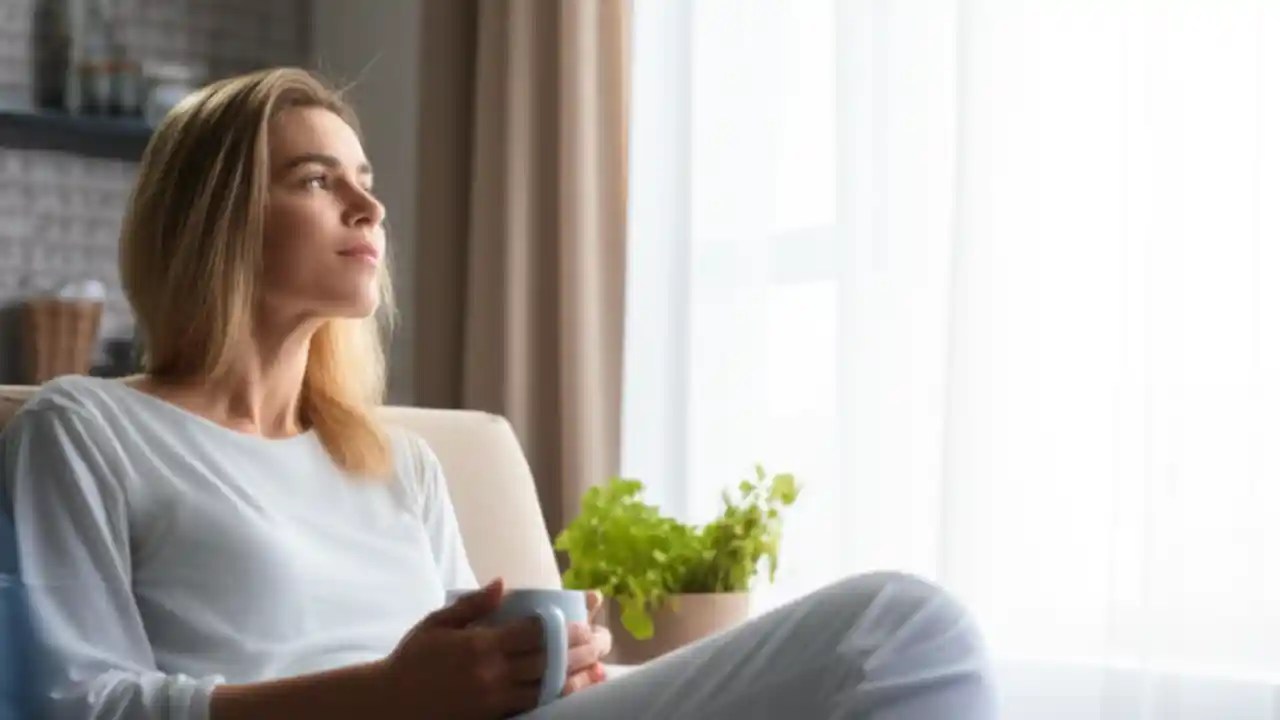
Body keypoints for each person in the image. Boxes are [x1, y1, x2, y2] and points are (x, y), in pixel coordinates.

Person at [0, 68, 995, 720]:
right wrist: (384, 696)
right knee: (902, 624)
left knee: (904, 635)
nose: (368, 205)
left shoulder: (397, 464)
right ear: (214, 218)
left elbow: (457, 676)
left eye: (365, 177)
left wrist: (544, 666)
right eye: (315, 179)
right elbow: (70, 702)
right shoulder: (85, 429)